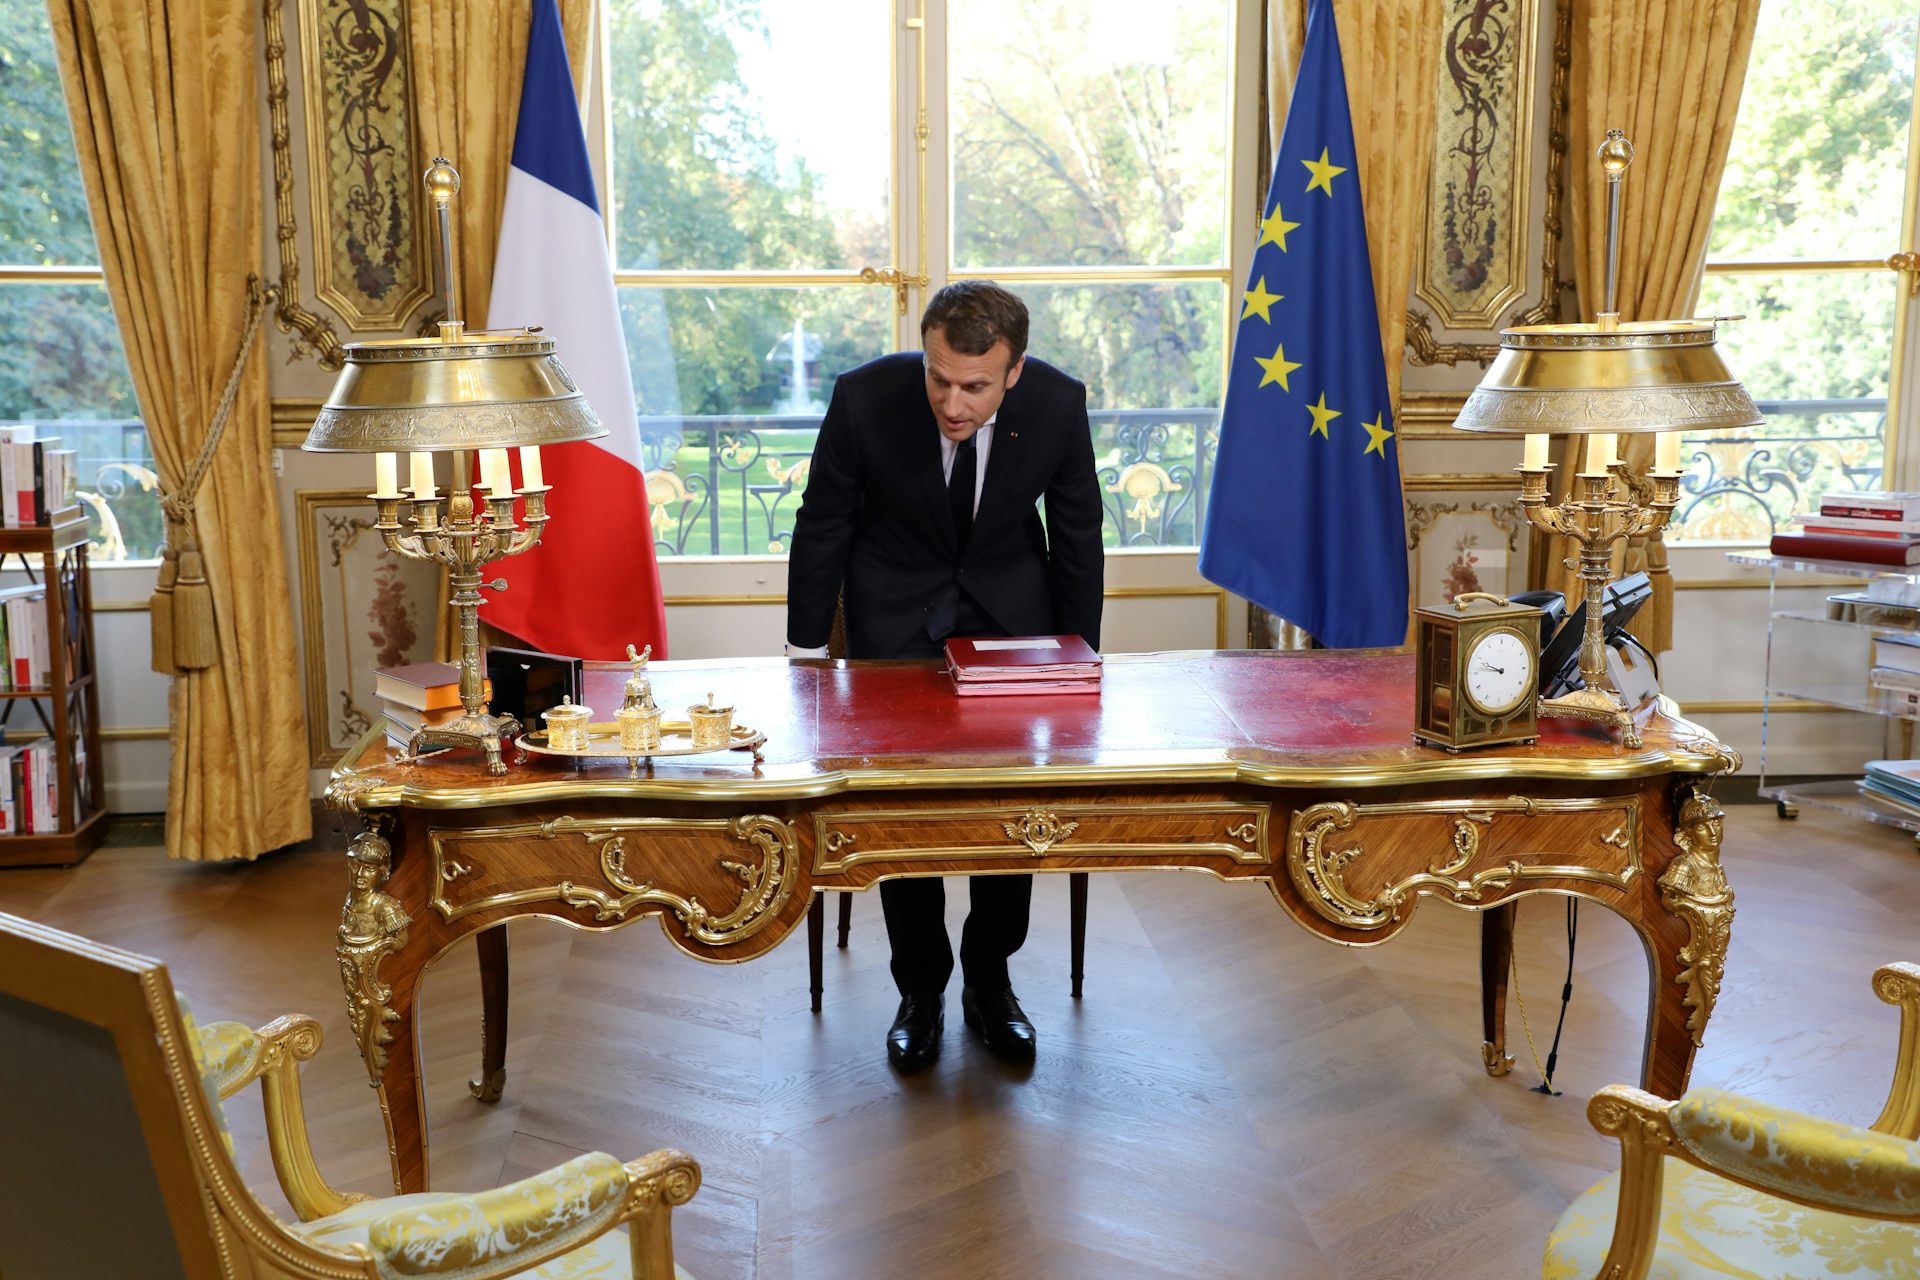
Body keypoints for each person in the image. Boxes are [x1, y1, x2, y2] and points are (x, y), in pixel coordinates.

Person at [785, 281, 1105, 1071]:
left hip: (1011, 612)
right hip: (893, 610)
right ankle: (921, 988)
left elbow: (1077, 533)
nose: (952, 403)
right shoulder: (865, 398)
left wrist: (1080, 656)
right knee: (906, 805)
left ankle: (989, 980)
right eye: (938, 378)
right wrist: (805, 655)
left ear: (1014, 372)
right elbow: (822, 520)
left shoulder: (1060, 405)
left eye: (974, 386)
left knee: (1011, 805)